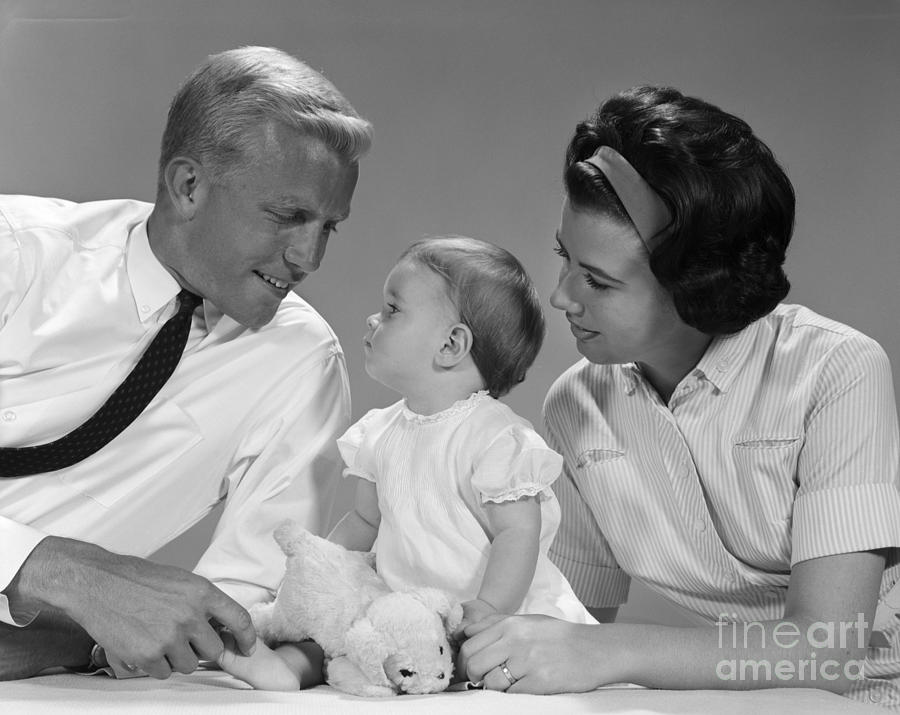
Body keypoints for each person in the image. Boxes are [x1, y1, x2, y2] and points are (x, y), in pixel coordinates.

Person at [458, 86, 900, 709]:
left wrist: (610, 655)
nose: (561, 297)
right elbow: (575, 625)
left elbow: (829, 650)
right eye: (565, 259)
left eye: (599, 281)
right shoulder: (575, 407)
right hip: (748, 701)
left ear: (697, 287)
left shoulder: (836, 369)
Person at [0, 46, 372, 680]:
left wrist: (85, 643)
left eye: (329, 227)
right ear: (188, 185)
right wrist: (56, 571)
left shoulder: (300, 362)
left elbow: (239, 617)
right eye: (288, 217)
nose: (309, 258)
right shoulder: (15, 252)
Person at [219, 236, 595, 690]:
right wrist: (325, 568)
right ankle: (286, 668)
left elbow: (518, 533)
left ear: (452, 344)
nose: (373, 318)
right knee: (336, 629)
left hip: (479, 609)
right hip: (400, 602)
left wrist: (490, 607)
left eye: (393, 310)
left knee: (477, 654)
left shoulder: (494, 436)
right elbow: (364, 519)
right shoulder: (382, 431)